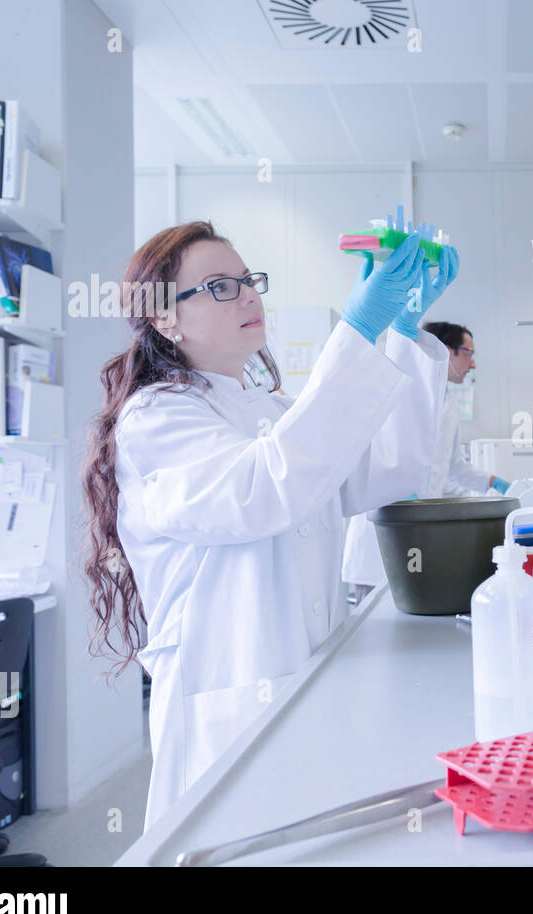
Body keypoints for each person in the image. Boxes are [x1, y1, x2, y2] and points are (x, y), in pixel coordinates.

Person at [81, 219, 458, 831]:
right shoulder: (155, 420)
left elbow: (390, 468)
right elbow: (265, 489)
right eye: (219, 287)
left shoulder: (268, 407)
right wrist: (357, 333)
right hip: (230, 696)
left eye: (248, 279)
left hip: (302, 686)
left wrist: (403, 333)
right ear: (163, 318)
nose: (249, 295)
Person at [341, 321, 510, 600]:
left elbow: (451, 466)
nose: (473, 364)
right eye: (468, 353)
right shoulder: (398, 389)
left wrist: (494, 484)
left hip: (418, 530)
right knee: (372, 626)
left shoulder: (449, 404)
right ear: (446, 351)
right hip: (381, 532)